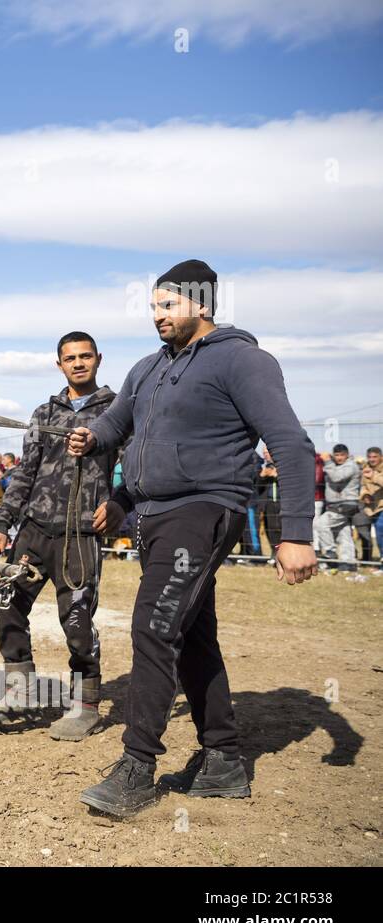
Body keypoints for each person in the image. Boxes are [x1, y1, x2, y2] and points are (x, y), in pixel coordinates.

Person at [66, 259, 317, 817]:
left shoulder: (243, 360)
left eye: (168, 305)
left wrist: (295, 533)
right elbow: (117, 428)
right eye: (153, 306)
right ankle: (223, 760)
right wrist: (92, 440)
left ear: (202, 304)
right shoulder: (147, 369)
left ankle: (136, 766)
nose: (157, 316)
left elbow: (293, 446)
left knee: (152, 629)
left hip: (204, 509)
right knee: (191, 636)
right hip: (153, 517)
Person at [0, 332, 121, 739]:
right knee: (6, 603)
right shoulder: (44, 412)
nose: (78, 363)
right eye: (70, 358)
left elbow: (135, 469)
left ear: (98, 359)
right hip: (34, 531)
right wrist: (2, 523)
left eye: (85, 356)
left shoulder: (117, 411)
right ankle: (20, 687)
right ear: (59, 364)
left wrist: (119, 505)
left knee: (76, 620)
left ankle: (86, 705)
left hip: (80, 535)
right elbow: (25, 472)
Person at [313, 444, 361, 569]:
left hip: (346, 504)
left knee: (320, 524)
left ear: (347, 454)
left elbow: (336, 477)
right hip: (335, 505)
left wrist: (327, 461)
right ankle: (348, 563)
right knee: (344, 534)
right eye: (336, 455)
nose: (339, 458)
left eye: (342, 455)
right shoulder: (334, 466)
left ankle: (330, 552)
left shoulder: (351, 466)